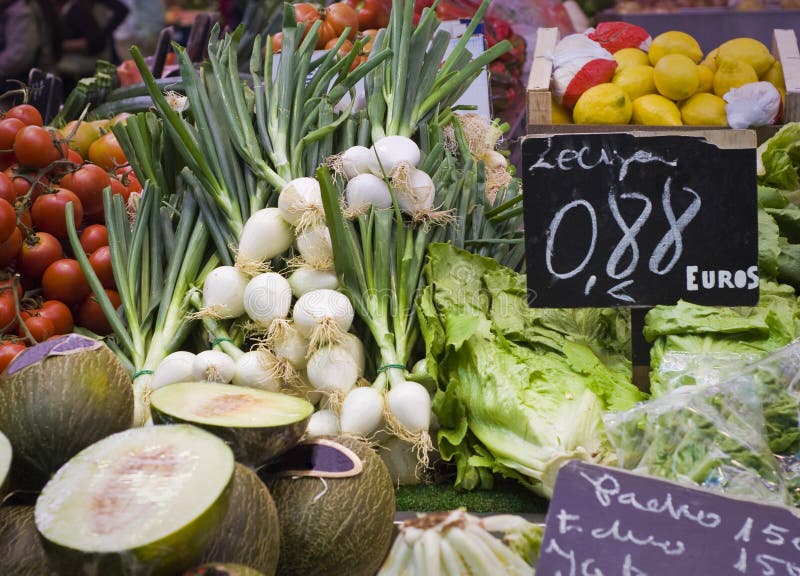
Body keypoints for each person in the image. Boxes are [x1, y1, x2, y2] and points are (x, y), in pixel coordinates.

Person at [56, 0, 129, 91]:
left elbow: (94, 41)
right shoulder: (69, 9)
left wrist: (104, 33)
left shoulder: (74, 10)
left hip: (91, 55)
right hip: (89, 50)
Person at [0, 0, 56, 87]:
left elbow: (17, 58)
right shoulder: (12, 8)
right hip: (19, 77)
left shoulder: (22, 11)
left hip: (29, 83)